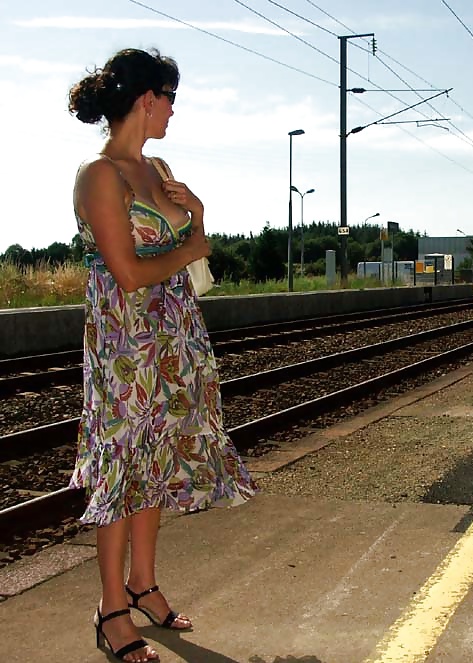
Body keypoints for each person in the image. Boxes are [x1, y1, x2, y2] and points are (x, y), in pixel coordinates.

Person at [67, 48, 257, 662]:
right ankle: (111, 610)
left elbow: (191, 246)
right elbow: (126, 273)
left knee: (156, 462)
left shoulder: (157, 167)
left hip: (173, 336)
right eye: (170, 99)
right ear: (147, 99)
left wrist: (197, 215)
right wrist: (191, 245)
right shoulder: (100, 175)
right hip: (126, 344)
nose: (173, 111)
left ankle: (143, 584)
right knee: (123, 468)